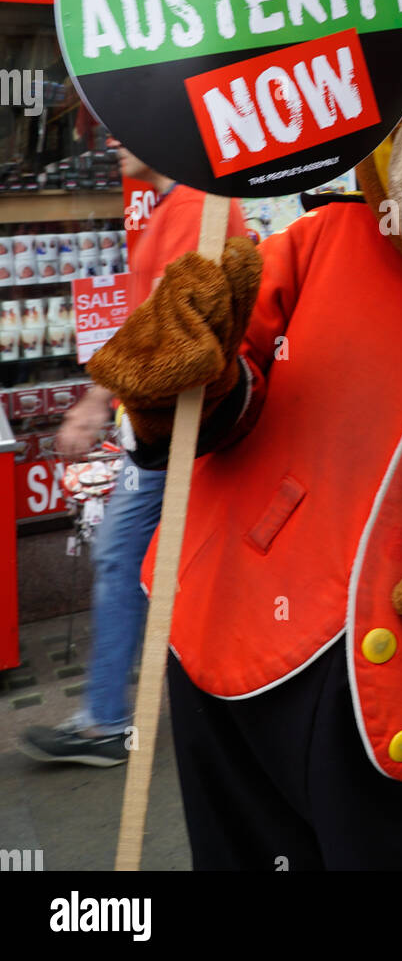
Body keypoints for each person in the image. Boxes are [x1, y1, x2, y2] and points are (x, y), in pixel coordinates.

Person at [20, 138, 246, 766]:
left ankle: (111, 722)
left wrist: (96, 403)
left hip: (176, 431)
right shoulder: (171, 205)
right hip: (158, 429)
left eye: (124, 126)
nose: (112, 141)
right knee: (139, 566)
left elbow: (171, 333)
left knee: (125, 561)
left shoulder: (198, 205)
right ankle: (126, 714)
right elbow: (146, 323)